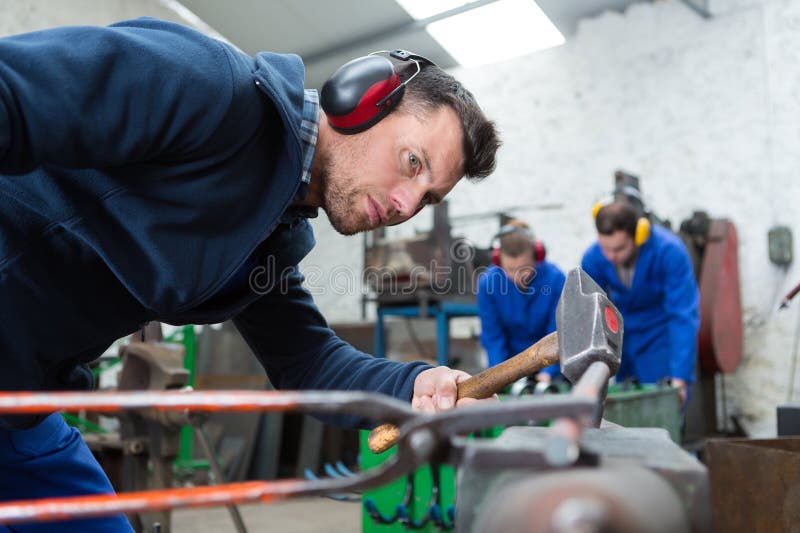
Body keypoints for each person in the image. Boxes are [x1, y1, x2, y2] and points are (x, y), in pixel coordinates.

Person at [0, 17, 500, 531]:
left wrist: (418, 383)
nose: (406, 204)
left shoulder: (269, 240)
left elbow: (309, 363)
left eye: (429, 198)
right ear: (360, 96)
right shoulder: (208, 87)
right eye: (412, 162)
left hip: (20, 412)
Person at [581, 201, 699, 406]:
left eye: (619, 249)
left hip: (660, 339)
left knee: (662, 410)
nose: (610, 256)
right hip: (622, 343)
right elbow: (591, 316)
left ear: (639, 235)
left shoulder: (670, 252)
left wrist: (680, 377)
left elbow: (683, 315)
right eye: (605, 248)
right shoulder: (593, 257)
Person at [477, 221, 565, 381]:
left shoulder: (557, 280)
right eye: (511, 269)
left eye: (524, 268)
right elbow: (493, 337)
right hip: (510, 365)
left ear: (537, 256)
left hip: (551, 366)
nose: (518, 277)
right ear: (498, 260)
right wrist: (499, 376)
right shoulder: (487, 284)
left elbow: (558, 332)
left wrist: (548, 373)